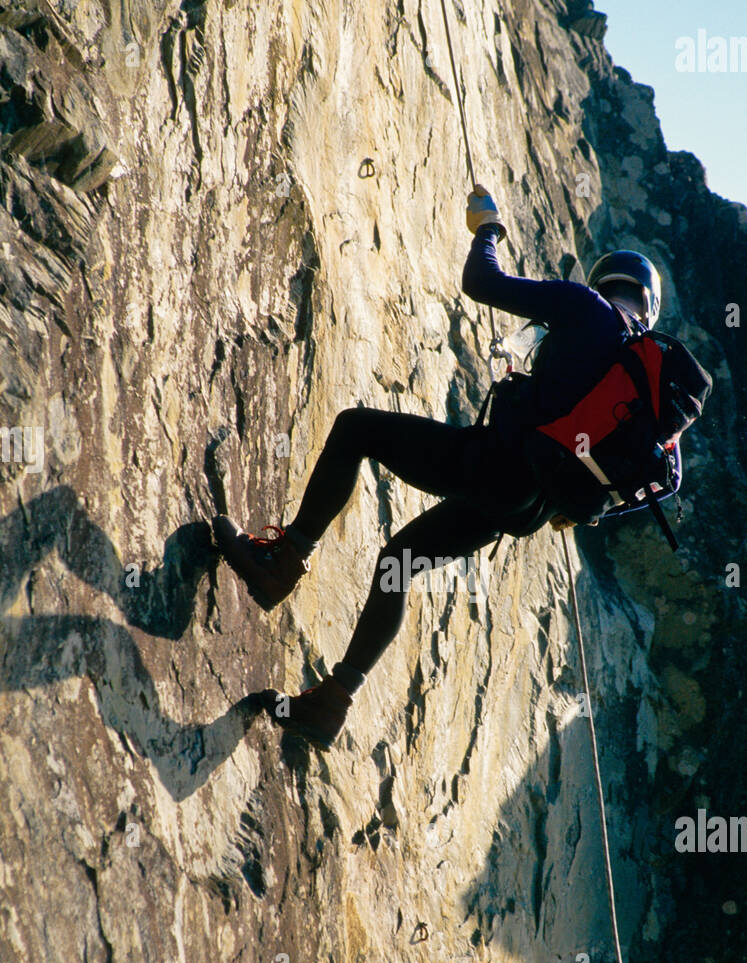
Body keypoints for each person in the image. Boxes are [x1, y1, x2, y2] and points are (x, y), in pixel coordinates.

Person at [213, 186, 669, 750]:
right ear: (647, 306)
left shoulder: (588, 310)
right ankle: (331, 703)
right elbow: (631, 478)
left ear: (606, 285)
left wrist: (489, 230)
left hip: (493, 465)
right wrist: (574, 506)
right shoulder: (643, 380)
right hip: (525, 507)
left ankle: (285, 559)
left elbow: (483, 283)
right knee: (398, 562)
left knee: (357, 430)